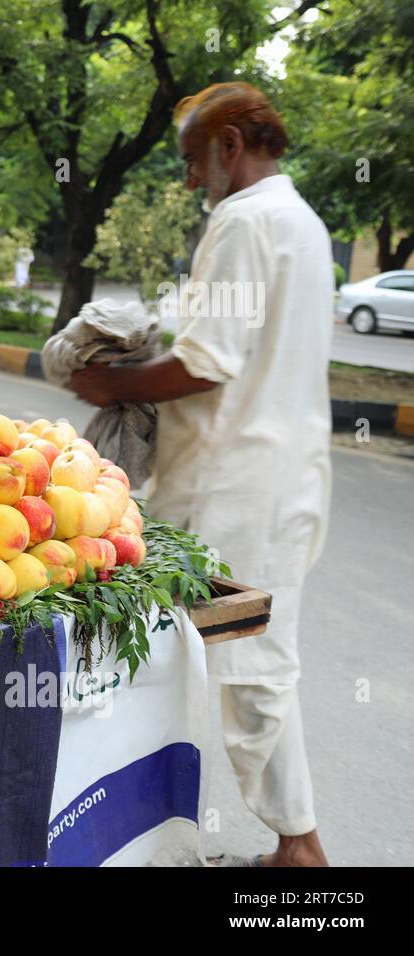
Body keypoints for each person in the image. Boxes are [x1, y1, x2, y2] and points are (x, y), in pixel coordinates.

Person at [70, 82, 332, 867]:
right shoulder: (302, 220)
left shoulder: (246, 219)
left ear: (228, 146)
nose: (189, 182)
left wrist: (109, 384)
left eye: (192, 161)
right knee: (227, 662)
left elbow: (205, 364)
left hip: (238, 483)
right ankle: (199, 837)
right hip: (280, 475)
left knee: (243, 667)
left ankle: (300, 849)